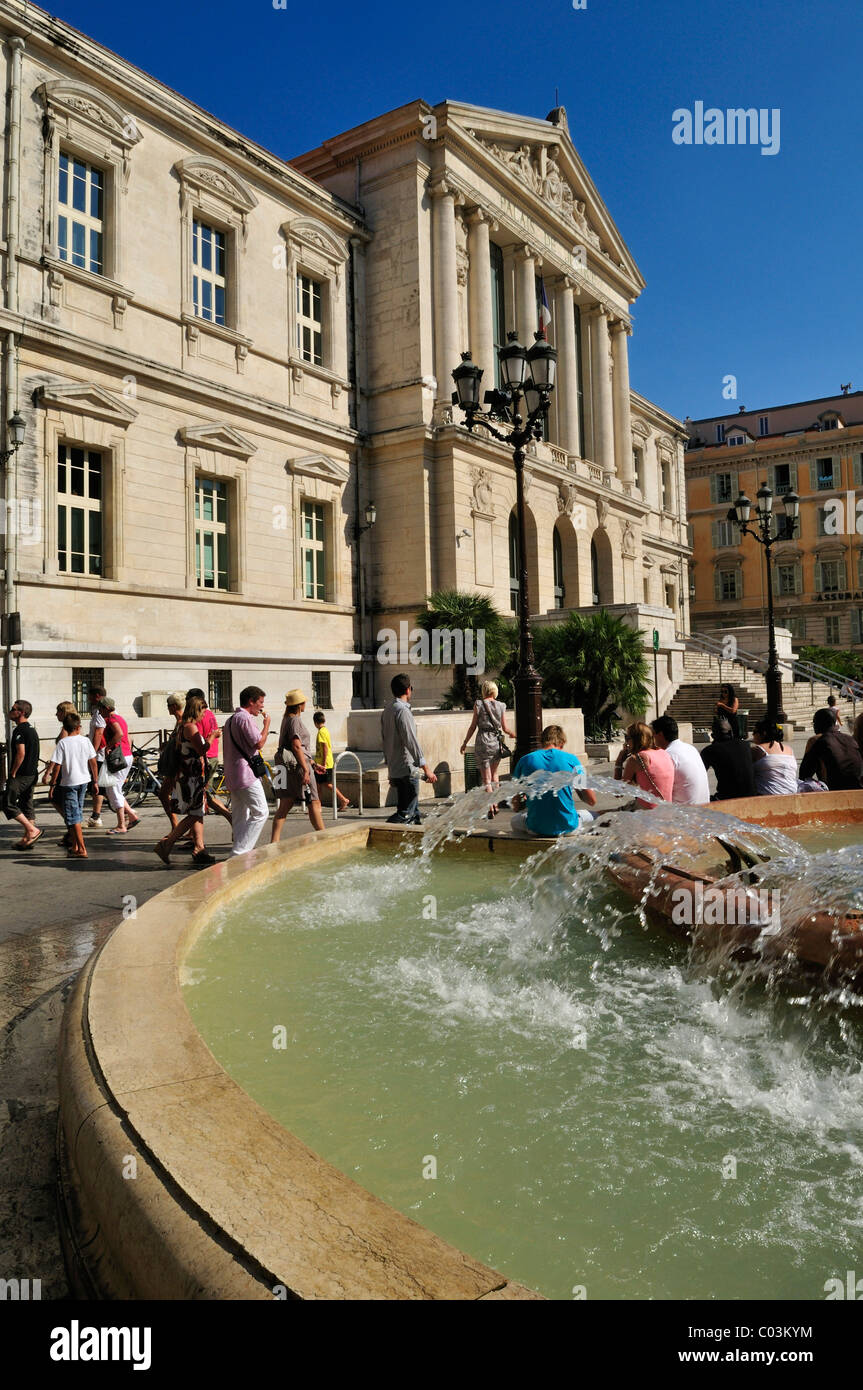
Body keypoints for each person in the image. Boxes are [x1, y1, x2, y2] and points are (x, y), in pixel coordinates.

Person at [154, 695, 215, 867]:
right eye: (203, 711)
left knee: (197, 813)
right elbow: (202, 749)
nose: (204, 715)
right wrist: (212, 737)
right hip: (191, 777)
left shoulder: (182, 726)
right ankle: (167, 843)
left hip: (188, 775)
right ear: (197, 710)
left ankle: (199, 849)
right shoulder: (190, 728)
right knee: (195, 814)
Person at [510, 724, 597, 837]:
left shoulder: (525, 760)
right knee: (595, 816)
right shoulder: (572, 759)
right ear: (562, 743)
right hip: (569, 828)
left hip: (536, 828)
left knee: (515, 821)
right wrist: (578, 789)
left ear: (541, 742)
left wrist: (525, 799)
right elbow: (592, 800)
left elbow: (516, 806)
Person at [381, 674, 437, 824]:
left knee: (414, 815)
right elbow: (411, 742)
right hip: (407, 770)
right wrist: (426, 769)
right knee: (406, 814)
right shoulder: (403, 711)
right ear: (408, 690)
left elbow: (385, 742)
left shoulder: (388, 710)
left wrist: (390, 771)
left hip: (397, 769)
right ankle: (383, 834)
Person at [223, 685, 271, 855]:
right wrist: (266, 725)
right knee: (261, 812)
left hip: (232, 774)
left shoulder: (230, 720)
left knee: (239, 817)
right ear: (251, 701)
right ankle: (239, 852)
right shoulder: (245, 718)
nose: (262, 706)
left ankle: (239, 849)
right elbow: (258, 743)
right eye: (260, 702)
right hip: (245, 775)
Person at [271, 689, 324, 840]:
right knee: (313, 800)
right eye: (304, 702)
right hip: (298, 766)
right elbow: (296, 746)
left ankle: (274, 841)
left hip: (286, 765)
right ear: (300, 704)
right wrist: (306, 769)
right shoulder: (295, 720)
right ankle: (323, 836)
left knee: (285, 803)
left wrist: (312, 762)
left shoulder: (286, 719)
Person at [459, 679, 515, 816]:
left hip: (483, 741)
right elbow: (505, 727)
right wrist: (512, 734)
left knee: (486, 779)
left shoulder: (478, 704)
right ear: (495, 691)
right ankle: (495, 803)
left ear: (484, 691)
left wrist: (465, 742)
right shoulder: (501, 705)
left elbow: (473, 726)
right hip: (496, 742)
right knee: (495, 776)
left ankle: (491, 806)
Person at [47, 711, 99, 859]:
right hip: (84, 780)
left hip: (69, 783)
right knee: (77, 814)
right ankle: (76, 846)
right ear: (79, 727)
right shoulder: (85, 741)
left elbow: (57, 765)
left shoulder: (63, 743)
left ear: (65, 727)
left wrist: (52, 784)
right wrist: (95, 781)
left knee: (73, 817)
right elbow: (93, 762)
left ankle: (81, 848)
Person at [186, 687, 232, 824]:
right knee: (201, 797)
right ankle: (194, 834)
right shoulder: (210, 713)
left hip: (205, 758)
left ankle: (230, 817)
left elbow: (198, 739)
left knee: (205, 796)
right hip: (212, 755)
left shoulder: (199, 715)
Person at [99, 697, 139, 835]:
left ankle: (121, 825)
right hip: (125, 755)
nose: (99, 711)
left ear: (107, 708)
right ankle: (131, 817)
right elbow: (127, 737)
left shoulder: (112, 720)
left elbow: (120, 734)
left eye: (101, 708)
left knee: (114, 789)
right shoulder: (120, 718)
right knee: (115, 789)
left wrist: (108, 746)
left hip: (119, 757)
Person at [4, 700, 42, 848]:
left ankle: (32, 830)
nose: (10, 711)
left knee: (7, 803)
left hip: (21, 775)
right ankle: (29, 838)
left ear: (21, 713)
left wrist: (13, 772)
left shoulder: (20, 730)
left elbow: (21, 753)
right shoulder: (31, 729)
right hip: (32, 774)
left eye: (12, 709)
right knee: (27, 804)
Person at [613, 720, 675, 810]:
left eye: (627, 738)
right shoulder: (663, 752)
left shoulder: (637, 759)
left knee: (603, 816)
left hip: (646, 810)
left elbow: (618, 793)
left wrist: (618, 763)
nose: (625, 743)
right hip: (666, 809)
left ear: (636, 739)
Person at [799, 708, 863, 791]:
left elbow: (804, 774)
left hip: (836, 791)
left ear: (819, 724)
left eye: (814, 723)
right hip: (857, 788)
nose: (814, 726)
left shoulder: (821, 741)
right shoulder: (850, 739)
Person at [650, 716, 710, 804]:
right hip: (704, 808)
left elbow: (657, 792)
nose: (652, 739)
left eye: (653, 735)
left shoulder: (667, 755)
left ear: (660, 735)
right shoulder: (691, 748)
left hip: (683, 814)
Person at [42, 702, 77, 846]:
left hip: (64, 771)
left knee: (56, 800)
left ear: (64, 712)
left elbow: (59, 756)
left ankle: (72, 830)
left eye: (58, 712)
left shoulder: (65, 731)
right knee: (66, 803)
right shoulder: (74, 727)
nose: (56, 714)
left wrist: (49, 773)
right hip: (72, 770)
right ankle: (72, 831)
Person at [700, 716, 756, 801]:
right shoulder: (745, 745)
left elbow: (699, 775)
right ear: (731, 733)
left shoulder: (710, 750)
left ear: (713, 735)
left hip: (726, 798)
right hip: (752, 796)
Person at [156, 692, 186, 831]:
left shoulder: (182, 722)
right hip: (175, 766)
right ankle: (177, 826)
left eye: (168, 705)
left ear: (174, 706)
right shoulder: (179, 721)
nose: (167, 708)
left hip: (178, 766)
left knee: (168, 795)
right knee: (168, 795)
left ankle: (178, 827)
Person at [312, 710, 349, 813]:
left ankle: (343, 800)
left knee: (326, 784)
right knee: (318, 785)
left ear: (315, 722)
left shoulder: (321, 732)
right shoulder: (325, 730)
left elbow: (325, 748)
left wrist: (323, 764)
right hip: (324, 763)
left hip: (324, 764)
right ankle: (318, 805)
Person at [750, 718, 798, 796]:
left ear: (764, 733)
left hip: (766, 796)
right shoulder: (789, 750)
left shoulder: (757, 750)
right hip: (792, 793)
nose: (752, 735)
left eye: (755, 732)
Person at [86, 684, 108, 827]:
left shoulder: (100, 712)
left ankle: (96, 816)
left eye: (89, 695)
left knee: (98, 786)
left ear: (97, 696)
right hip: (100, 754)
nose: (87, 698)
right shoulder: (99, 711)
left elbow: (99, 733)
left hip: (99, 755)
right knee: (105, 788)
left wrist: (92, 752)